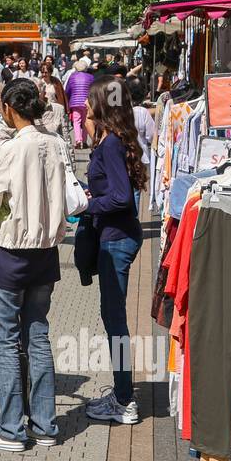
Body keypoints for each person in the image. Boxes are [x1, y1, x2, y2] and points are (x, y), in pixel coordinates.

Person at [0, 78, 70, 450]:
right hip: (46, 252)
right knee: (38, 336)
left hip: (12, 251)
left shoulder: (13, 149)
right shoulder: (56, 144)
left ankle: (10, 428)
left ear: (11, 109)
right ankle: (44, 425)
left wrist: (1, 206)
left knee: (6, 343)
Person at [83, 75, 147, 426]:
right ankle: (123, 394)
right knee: (113, 319)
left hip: (117, 238)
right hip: (120, 236)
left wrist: (87, 206)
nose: (87, 106)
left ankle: (124, 401)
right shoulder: (114, 140)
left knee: (114, 320)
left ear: (103, 105)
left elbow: (122, 198)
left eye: (92, 100)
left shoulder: (110, 144)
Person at [128, 77, 156, 216]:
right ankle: (134, 220)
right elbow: (152, 136)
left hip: (122, 155)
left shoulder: (121, 110)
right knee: (136, 190)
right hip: (140, 155)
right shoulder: (142, 112)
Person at [64, 57, 95, 149]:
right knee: (85, 120)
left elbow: (67, 90)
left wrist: (69, 99)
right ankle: (84, 141)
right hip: (86, 102)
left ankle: (78, 140)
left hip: (75, 102)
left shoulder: (72, 76)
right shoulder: (90, 77)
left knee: (76, 121)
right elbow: (93, 89)